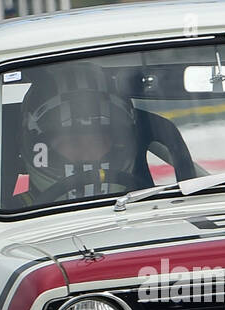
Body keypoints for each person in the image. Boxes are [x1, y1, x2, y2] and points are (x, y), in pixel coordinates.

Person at [18, 63, 142, 205]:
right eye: (73, 143)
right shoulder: (5, 216)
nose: (86, 155)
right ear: (42, 148)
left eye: (98, 142)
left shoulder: (148, 205)